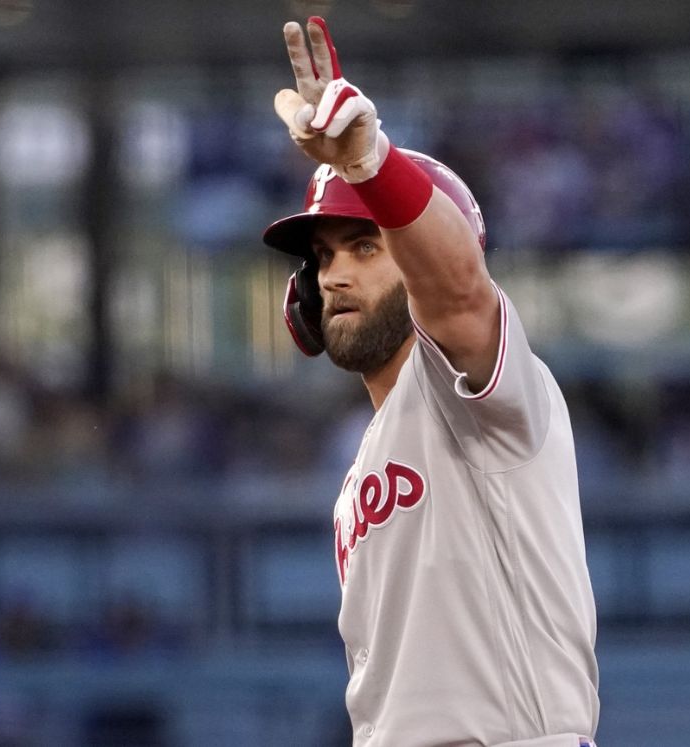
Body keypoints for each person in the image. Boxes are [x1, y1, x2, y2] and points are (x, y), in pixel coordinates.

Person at [262, 17, 600, 747]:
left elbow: (459, 293)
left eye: (364, 245)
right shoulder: (362, 461)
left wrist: (368, 163)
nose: (336, 273)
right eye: (321, 258)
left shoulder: (481, 392)